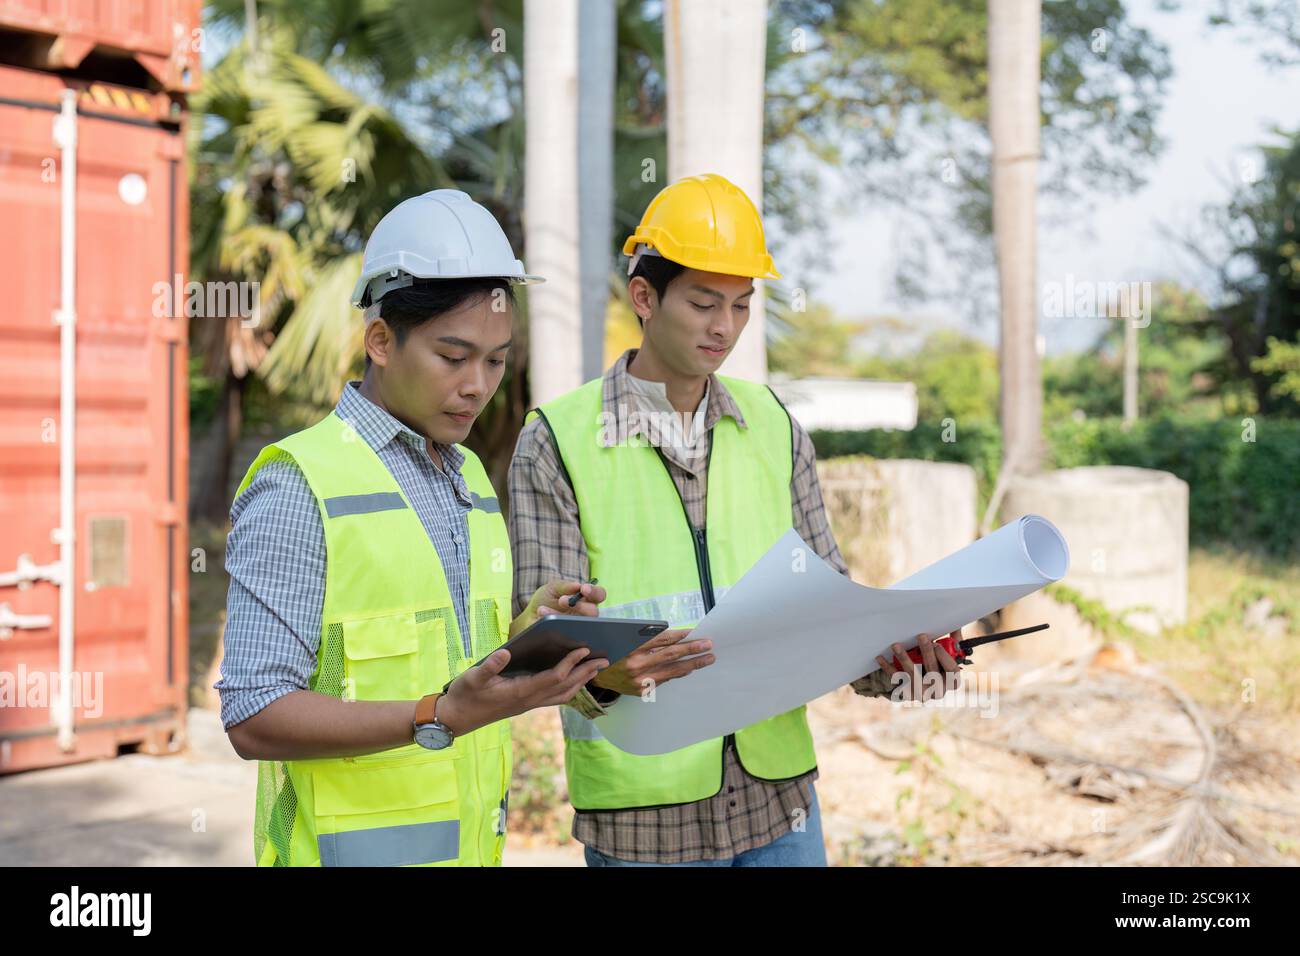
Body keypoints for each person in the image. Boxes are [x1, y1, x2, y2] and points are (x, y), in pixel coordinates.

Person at [508, 173, 966, 867]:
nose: (724, 326)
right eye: (702, 303)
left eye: (742, 304)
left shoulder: (775, 426)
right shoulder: (556, 440)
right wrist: (605, 673)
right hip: (644, 816)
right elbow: (542, 643)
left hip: (779, 805)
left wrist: (898, 664)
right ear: (644, 297)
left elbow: (830, 614)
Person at [217, 189, 609, 867]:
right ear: (380, 341)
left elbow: (450, 661)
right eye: (453, 357)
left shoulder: (469, 477)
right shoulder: (298, 484)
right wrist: (437, 716)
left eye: (496, 360)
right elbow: (253, 714)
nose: (477, 385)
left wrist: (527, 636)